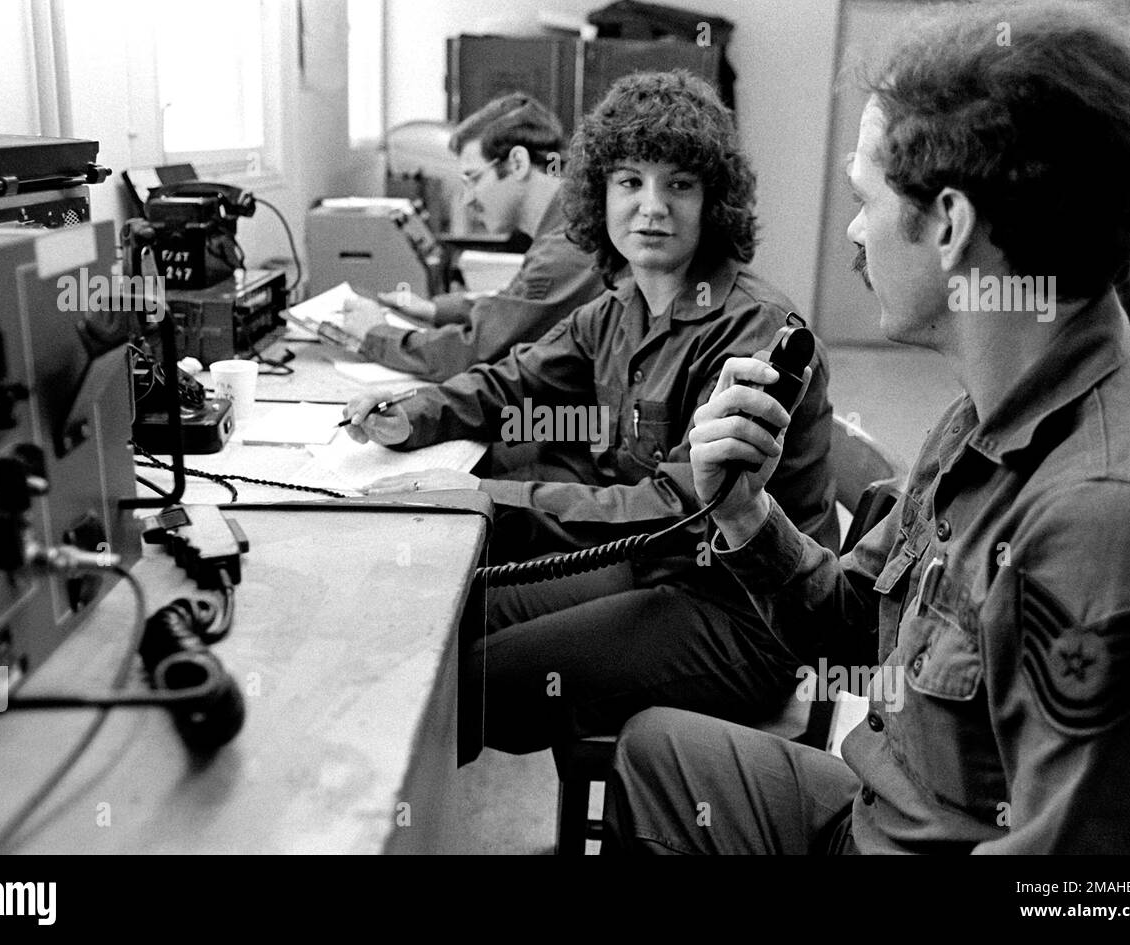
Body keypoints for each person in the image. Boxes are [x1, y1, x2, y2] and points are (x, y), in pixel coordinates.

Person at [603, 2, 1130, 854]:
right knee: (659, 753)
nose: (856, 229)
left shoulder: (1113, 523)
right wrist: (743, 514)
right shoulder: (983, 416)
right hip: (881, 807)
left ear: (950, 225)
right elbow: (861, 630)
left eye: (866, 199)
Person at [344, 71, 838, 754]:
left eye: (679, 185)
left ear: (713, 201)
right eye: (630, 182)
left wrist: (481, 495)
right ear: (599, 193)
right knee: (445, 615)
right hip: (655, 570)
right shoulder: (620, 305)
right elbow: (514, 379)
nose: (652, 208)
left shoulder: (753, 327)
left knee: (465, 677)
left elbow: (676, 510)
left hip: (743, 617)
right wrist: (416, 409)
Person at [338, 93, 604, 382]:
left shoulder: (565, 249)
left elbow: (474, 352)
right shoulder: (564, 229)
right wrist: (435, 310)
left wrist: (376, 334)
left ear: (517, 163)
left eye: (474, 179)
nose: (467, 199)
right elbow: (515, 307)